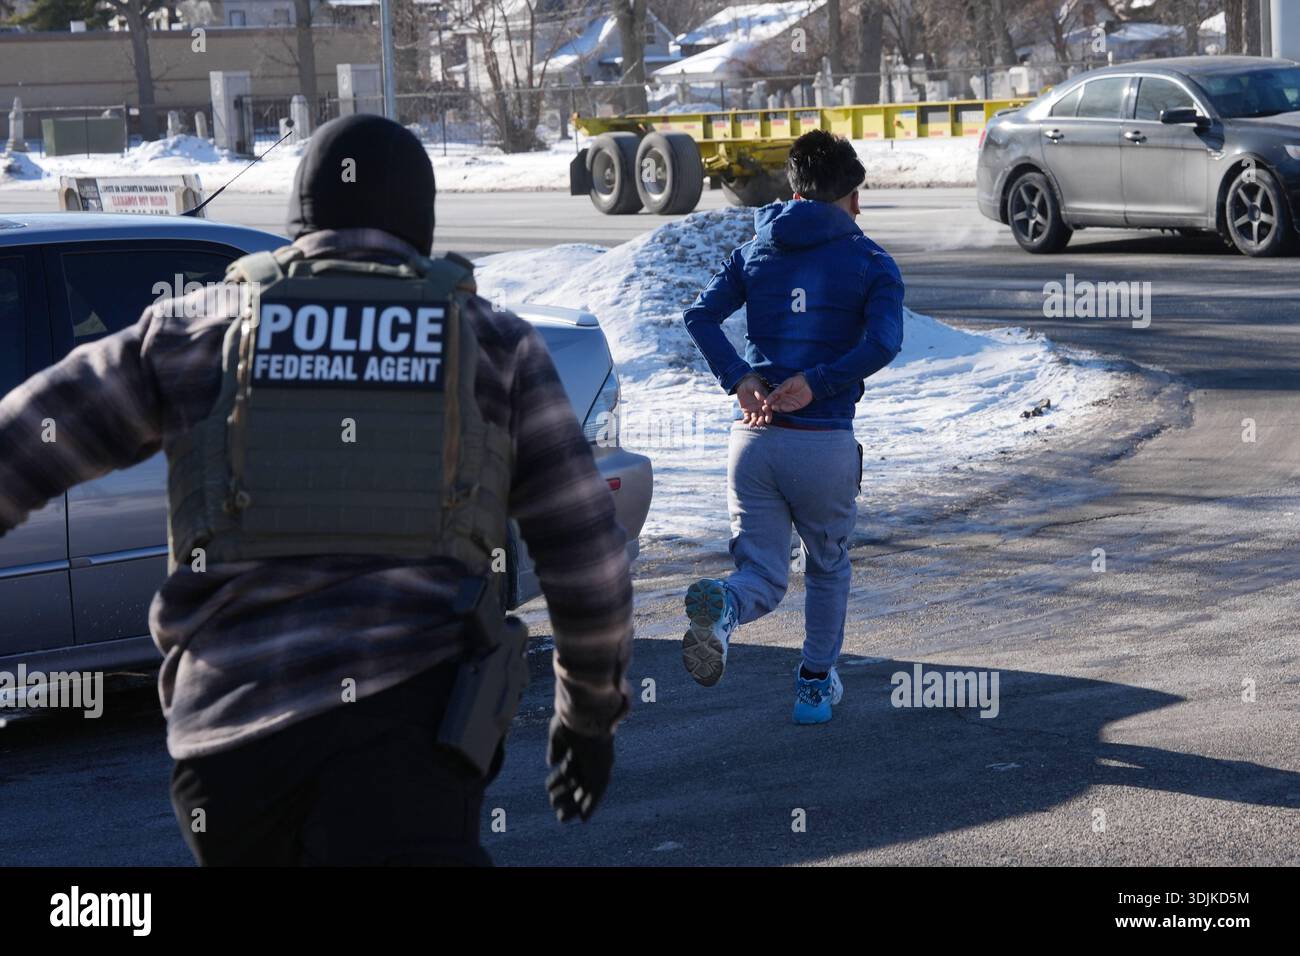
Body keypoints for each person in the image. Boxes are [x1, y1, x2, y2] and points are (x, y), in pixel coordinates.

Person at [0, 114, 633, 864]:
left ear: (300, 220)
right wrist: (588, 719)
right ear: (421, 223)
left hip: (229, 753)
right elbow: (586, 557)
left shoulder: (189, 330)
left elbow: (23, 441)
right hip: (410, 741)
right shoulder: (491, 344)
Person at [681, 129, 904, 724]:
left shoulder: (756, 250)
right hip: (822, 442)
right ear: (847, 195)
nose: (860, 206)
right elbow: (885, 342)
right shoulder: (872, 262)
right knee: (827, 565)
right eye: (857, 194)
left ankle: (724, 611)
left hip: (752, 441)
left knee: (761, 572)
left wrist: (739, 378)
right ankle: (812, 686)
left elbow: (699, 315)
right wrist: (821, 381)